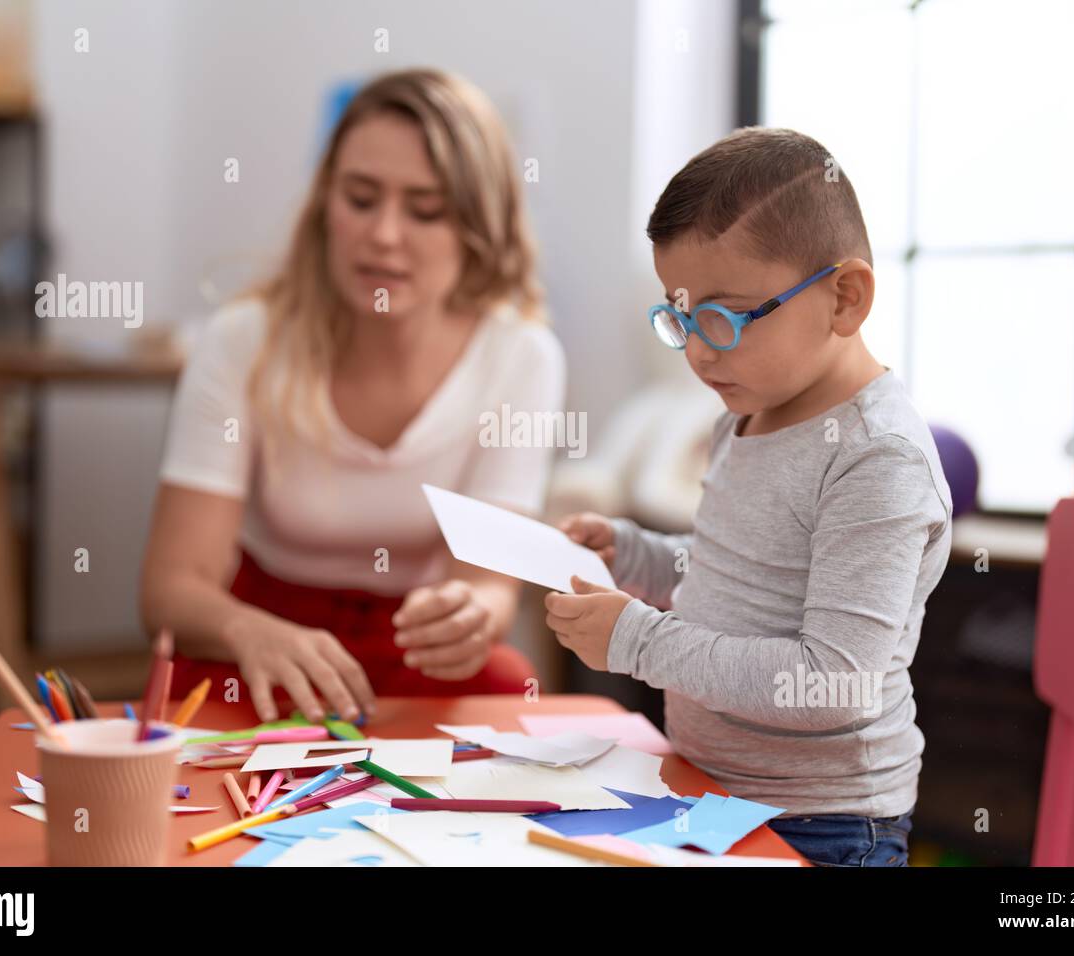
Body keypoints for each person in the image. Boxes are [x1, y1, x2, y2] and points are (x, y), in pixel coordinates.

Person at [546, 127, 951, 867]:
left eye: (724, 318)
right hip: (710, 794)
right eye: (680, 317)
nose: (699, 350)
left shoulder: (876, 460)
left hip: (822, 825)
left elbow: (834, 683)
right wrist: (634, 555)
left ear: (845, 298)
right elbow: (737, 584)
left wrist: (635, 641)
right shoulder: (746, 413)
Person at [141, 69, 564, 724]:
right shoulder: (241, 339)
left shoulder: (522, 357)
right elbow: (170, 590)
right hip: (258, 635)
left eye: (425, 210)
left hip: (413, 649)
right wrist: (248, 632)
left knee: (509, 685)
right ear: (323, 204)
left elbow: (488, 583)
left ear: (478, 228)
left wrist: (473, 614)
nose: (384, 235)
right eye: (361, 198)